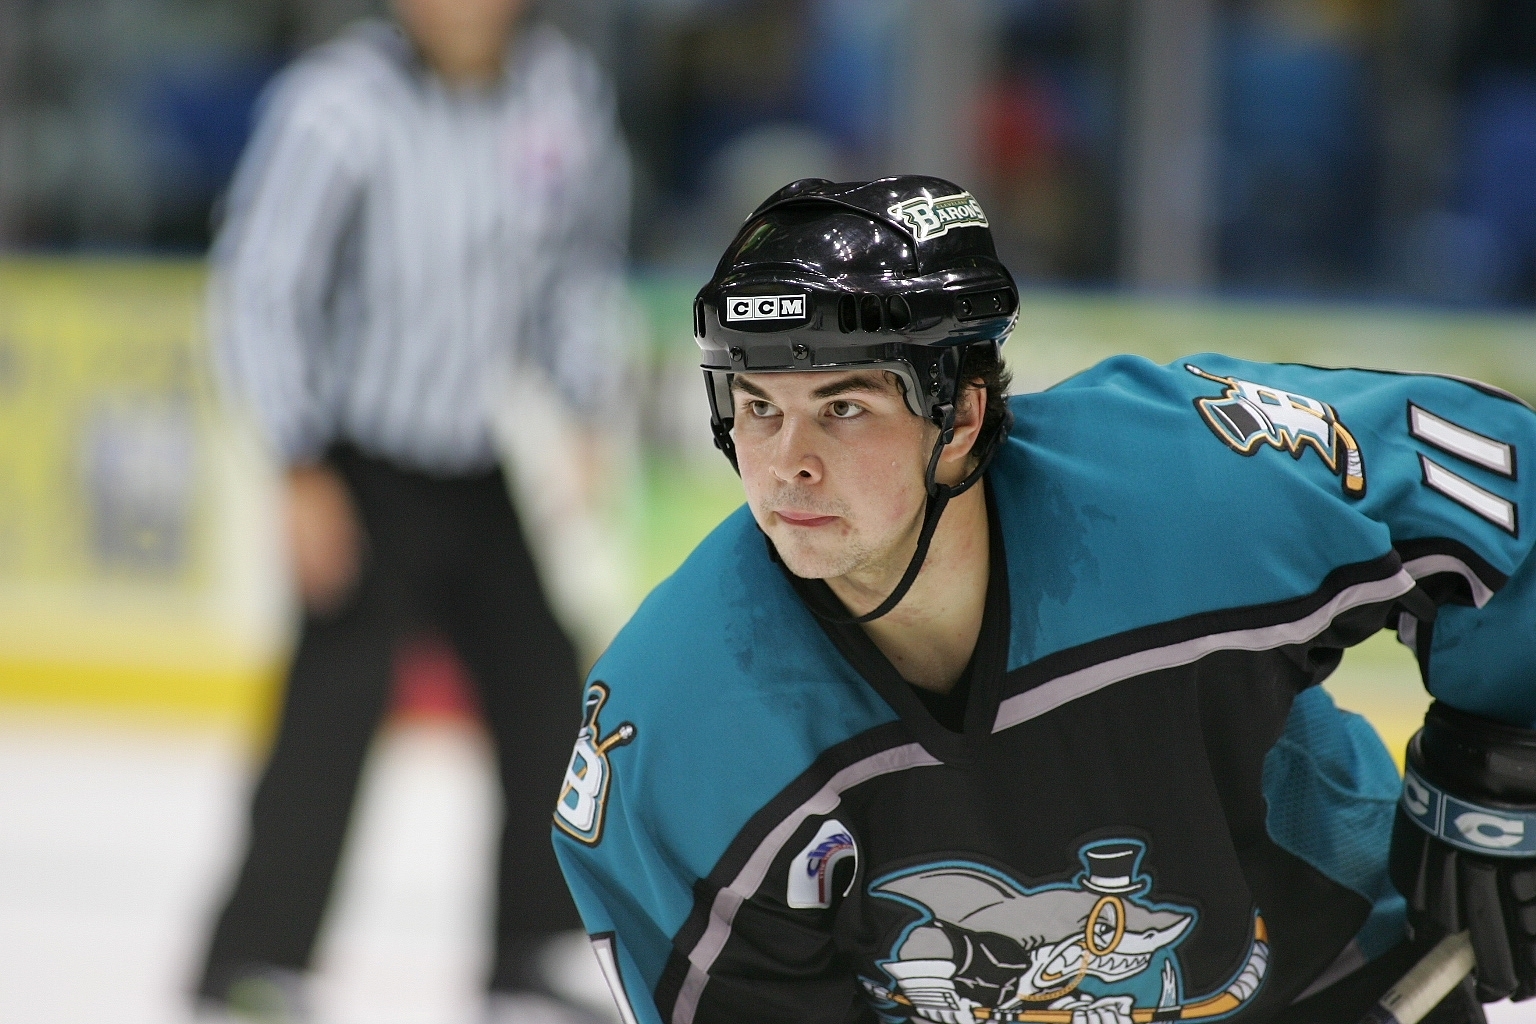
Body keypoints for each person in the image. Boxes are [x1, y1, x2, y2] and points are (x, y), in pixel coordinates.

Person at [550, 176, 1536, 1024]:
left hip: (1332, 978)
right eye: (758, 410)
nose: (787, 465)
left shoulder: (1188, 496)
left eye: (842, 407)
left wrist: (1498, 767)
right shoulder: (676, 722)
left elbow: (1510, 496)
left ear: (962, 414)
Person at [197, 0, 629, 1020]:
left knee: (545, 695)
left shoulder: (560, 97)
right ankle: (250, 959)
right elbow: (262, 285)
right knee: (332, 710)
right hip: (358, 459)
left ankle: (530, 945)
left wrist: (581, 404)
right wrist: (296, 462)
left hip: (474, 461)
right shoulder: (337, 107)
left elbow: (572, 266)